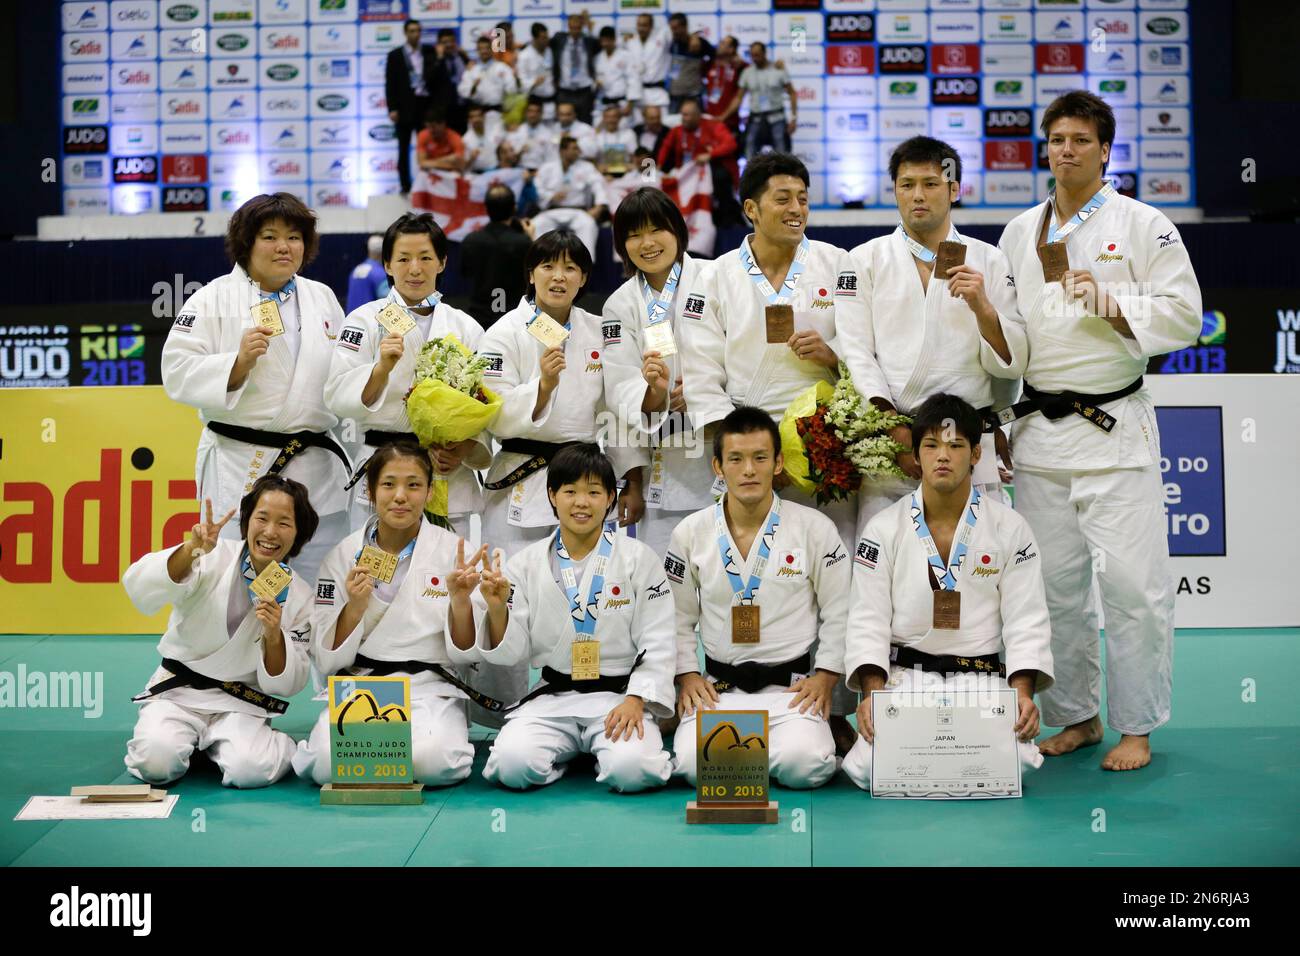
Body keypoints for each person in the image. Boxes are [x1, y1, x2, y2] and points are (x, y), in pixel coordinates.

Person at [997, 90, 1202, 772]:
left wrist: (1112, 305)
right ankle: (1076, 717)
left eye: (1080, 139)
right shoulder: (1020, 231)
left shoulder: (1144, 224)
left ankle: (1137, 725)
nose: (1066, 149)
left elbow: (1184, 315)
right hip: (1041, 434)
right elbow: (1012, 334)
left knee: (1132, 588)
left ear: (1105, 149)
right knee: (1055, 590)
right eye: (1056, 138)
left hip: (1114, 428)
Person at [841, 393, 1054, 790]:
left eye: (956, 446)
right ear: (916, 455)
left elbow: (1027, 618)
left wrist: (1022, 694)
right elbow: (867, 618)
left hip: (981, 677)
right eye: (932, 445)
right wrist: (872, 694)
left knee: (1020, 759)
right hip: (907, 677)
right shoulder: (883, 528)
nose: (943, 456)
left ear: (976, 454)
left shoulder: (1010, 527)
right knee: (864, 766)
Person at [447, 444, 675, 792]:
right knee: (512, 765)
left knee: (634, 770)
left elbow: (658, 638)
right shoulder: (525, 563)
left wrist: (637, 699)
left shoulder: (638, 559)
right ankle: (567, 761)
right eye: (570, 491)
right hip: (554, 697)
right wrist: (496, 610)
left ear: (611, 498)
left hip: (618, 698)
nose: (581, 502)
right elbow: (512, 653)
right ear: (552, 495)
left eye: (594, 492)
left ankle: (601, 752)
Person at [161, 192, 349, 585]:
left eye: (294, 237)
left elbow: (343, 375)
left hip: (314, 466)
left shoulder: (322, 297)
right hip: (242, 465)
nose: (284, 246)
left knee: (318, 578)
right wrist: (236, 363)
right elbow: (176, 372)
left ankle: (304, 647)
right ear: (247, 242)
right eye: (270, 236)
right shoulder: (211, 298)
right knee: (233, 576)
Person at [842, 135, 1026, 534]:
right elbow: (855, 352)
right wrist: (894, 428)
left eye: (930, 183)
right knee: (884, 578)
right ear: (894, 192)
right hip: (891, 445)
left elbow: (1013, 363)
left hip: (967, 440)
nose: (917, 195)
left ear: (954, 189)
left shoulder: (990, 260)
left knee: (980, 569)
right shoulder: (864, 260)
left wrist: (983, 307)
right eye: (907, 185)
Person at [680, 152, 863, 548]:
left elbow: (867, 349)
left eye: (803, 198)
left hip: (822, 447)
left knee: (830, 561)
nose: (796, 209)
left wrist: (832, 354)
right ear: (751, 209)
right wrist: (742, 449)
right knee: (751, 568)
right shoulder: (714, 276)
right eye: (782, 199)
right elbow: (700, 372)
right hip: (749, 451)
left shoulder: (838, 264)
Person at [666, 407, 847, 789]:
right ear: (718, 466)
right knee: (689, 765)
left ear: (778, 462)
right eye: (736, 459)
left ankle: (763, 751)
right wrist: (686, 673)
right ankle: (761, 754)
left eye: (760, 458)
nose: (749, 469)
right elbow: (677, 618)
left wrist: (827, 677)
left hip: (792, 691)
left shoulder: (814, 528)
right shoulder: (690, 533)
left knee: (806, 766)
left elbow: (841, 610)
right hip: (720, 689)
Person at [291, 444, 476, 788]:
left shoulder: (453, 550)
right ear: (371, 491)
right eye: (389, 484)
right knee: (324, 765)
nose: (401, 497)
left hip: (429, 685)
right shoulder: (343, 555)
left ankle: (412, 744)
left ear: (430, 491)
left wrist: (462, 603)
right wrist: (355, 608)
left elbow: (467, 651)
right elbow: (325, 656)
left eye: (414, 485)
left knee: (434, 762)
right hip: (363, 681)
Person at [123, 477, 317, 788]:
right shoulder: (209, 553)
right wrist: (190, 549)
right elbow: (140, 585)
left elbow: (289, 683)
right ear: (247, 521)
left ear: (299, 535)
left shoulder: (300, 595)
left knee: (250, 770)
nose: (270, 532)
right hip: (178, 692)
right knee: (155, 763)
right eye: (262, 518)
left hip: (239, 702)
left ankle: (273, 745)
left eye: (284, 523)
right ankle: (194, 742)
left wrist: (273, 635)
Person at [476, 229, 647, 563]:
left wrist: (632, 481)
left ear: (583, 278)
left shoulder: (600, 330)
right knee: (511, 592)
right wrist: (542, 388)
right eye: (547, 267)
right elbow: (491, 412)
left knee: (584, 590)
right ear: (531, 275)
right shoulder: (502, 334)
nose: (558, 277)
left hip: (585, 478)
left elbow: (618, 411)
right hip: (520, 478)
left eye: (570, 268)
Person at [324, 213, 490, 539]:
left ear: (442, 262)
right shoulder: (364, 320)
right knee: (375, 577)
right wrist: (381, 369)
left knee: (445, 578)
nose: (415, 268)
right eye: (403, 259)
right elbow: (337, 396)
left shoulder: (466, 326)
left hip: (445, 471)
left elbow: (485, 400)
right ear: (387, 264)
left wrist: (464, 445)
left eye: (425, 258)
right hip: (383, 465)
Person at [601, 187, 714, 556]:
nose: (646, 244)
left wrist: (702, 389)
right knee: (665, 590)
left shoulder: (715, 278)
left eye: (656, 230)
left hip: (720, 450)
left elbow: (741, 354)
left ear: (678, 232)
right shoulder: (618, 305)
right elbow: (618, 392)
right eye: (633, 235)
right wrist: (655, 393)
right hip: (661, 462)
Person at [656, 98, 740, 226]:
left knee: (720, 176)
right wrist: (659, 166)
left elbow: (731, 144)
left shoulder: (713, 126)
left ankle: (726, 222)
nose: (683, 118)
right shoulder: (677, 130)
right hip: (686, 174)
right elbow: (666, 146)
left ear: (697, 116)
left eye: (687, 115)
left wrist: (710, 154)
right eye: (682, 114)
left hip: (709, 173)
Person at [460, 183, 534, 328]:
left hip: (479, 317)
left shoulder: (471, 240)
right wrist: (530, 239)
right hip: (514, 318)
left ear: (486, 209)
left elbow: (465, 272)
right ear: (514, 208)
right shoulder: (523, 242)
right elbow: (533, 277)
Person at [532, 135, 608, 260]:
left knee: (588, 224)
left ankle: (584, 265)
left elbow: (598, 185)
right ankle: (542, 262)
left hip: (578, 211)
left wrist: (599, 206)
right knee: (537, 224)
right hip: (552, 210)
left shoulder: (586, 167)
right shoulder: (547, 168)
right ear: (562, 151)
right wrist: (550, 196)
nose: (578, 152)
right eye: (574, 148)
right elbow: (537, 189)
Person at [386, 19, 439, 194]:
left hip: (424, 106)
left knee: (428, 146)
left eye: (417, 31)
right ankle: (405, 185)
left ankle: (429, 184)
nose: (415, 34)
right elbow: (390, 83)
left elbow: (435, 78)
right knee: (403, 147)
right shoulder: (395, 55)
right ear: (405, 33)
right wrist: (392, 108)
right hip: (404, 108)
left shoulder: (430, 52)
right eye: (411, 31)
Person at [723, 42, 797, 160]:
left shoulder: (778, 69)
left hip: (777, 117)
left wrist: (793, 118)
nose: (754, 58)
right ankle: (751, 177)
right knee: (749, 150)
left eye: (757, 55)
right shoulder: (747, 72)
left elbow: (792, 93)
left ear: (764, 53)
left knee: (782, 156)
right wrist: (724, 116)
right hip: (755, 118)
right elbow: (738, 98)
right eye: (752, 55)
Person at [458, 34, 521, 128]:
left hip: (498, 114)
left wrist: (516, 79)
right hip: (477, 115)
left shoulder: (502, 68)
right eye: (481, 49)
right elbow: (462, 90)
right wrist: (473, 88)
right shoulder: (472, 70)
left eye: (487, 48)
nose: (484, 51)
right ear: (477, 51)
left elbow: (512, 89)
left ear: (492, 49)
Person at [551, 11, 600, 124]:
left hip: (584, 91)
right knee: (563, 123)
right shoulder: (559, 39)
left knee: (585, 122)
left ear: (582, 27)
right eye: (572, 28)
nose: (575, 31)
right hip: (564, 91)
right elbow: (541, 42)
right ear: (568, 26)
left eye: (578, 28)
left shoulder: (589, 41)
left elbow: (601, 46)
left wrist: (590, 27)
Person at [666, 14, 713, 114]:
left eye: (675, 28)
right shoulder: (671, 42)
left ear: (685, 26)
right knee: (672, 126)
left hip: (694, 95)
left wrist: (704, 70)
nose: (673, 32)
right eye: (671, 28)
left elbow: (716, 57)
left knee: (699, 125)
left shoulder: (699, 43)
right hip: (675, 95)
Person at [625, 12, 670, 110]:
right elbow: (631, 73)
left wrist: (694, 37)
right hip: (638, 94)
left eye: (644, 25)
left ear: (651, 26)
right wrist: (630, 98)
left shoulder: (661, 39)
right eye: (639, 25)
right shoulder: (631, 43)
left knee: (661, 123)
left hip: (658, 93)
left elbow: (677, 33)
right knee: (639, 125)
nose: (641, 28)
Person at [703, 35, 744, 136]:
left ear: (731, 49)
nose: (719, 45)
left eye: (723, 43)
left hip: (730, 122)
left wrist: (723, 117)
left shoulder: (739, 67)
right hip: (709, 121)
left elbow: (758, 67)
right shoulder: (709, 64)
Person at [594, 26, 640, 117]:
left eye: (607, 41)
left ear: (614, 40)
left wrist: (630, 104)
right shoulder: (597, 58)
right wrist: (596, 85)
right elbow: (595, 81)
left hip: (622, 103)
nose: (605, 44)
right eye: (603, 41)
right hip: (604, 103)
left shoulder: (626, 56)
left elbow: (633, 80)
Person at [432, 28, 469, 134]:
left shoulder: (462, 56)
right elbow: (430, 80)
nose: (449, 45)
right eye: (445, 42)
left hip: (462, 107)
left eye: (451, 41)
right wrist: (439, 58)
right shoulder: (434, 59)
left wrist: (467, 58)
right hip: (444, 110)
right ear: (439, 44)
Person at [517, 23, 557, 118]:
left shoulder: (550, 52)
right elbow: (521, 82)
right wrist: (534, 82)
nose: (546, 40)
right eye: (543, 38)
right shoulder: (524, 56)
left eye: (547, 37)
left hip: (552, 101)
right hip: (534, 102)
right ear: (534, 38)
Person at [505, 99, 556, 172]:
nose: (533, 115)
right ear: (525, 113)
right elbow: (508, 157)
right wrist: (520, 152)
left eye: (537, 112)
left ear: (541, 114)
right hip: (519, 170)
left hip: (539, 171)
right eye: (530, 111)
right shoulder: (515, 132)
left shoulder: (550, 134)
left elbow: (552, 158)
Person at [346, 235, 390, 315]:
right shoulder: (380, 274)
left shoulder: (355, 271)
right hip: (370, 323)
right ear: (383, 252)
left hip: (351, 321)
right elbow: (387, 304)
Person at [593, 103, 637, 177]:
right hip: (602, 174)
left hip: (625, 173)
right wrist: (598, 167)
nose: (611, 120)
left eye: (614, 117)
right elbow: (592, 160)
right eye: (608, 117)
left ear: (619, 118)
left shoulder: (629, 134)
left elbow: (634, 157)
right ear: (603, 118)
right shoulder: (596, 136)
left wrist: (630, 166)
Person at [416, 108, 465, 172]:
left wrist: (429, 163)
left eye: (433, 127)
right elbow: (421, 163)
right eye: (428, 127)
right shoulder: (422, 135)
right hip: (430, 173)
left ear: (443, 124)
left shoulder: (454, 137)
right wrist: (448, 160)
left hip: (448, 173)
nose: (431, 130)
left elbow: (460, 164)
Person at [463, 105, 504, 174]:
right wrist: (471, 158)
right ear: (469, 120)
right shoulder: (465, 140)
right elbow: (464, 166)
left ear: (484, 117)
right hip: (478, 174)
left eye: (478, 116)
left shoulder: (494, 131)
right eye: (472, 117)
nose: (476, 119)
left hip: (497, 170)